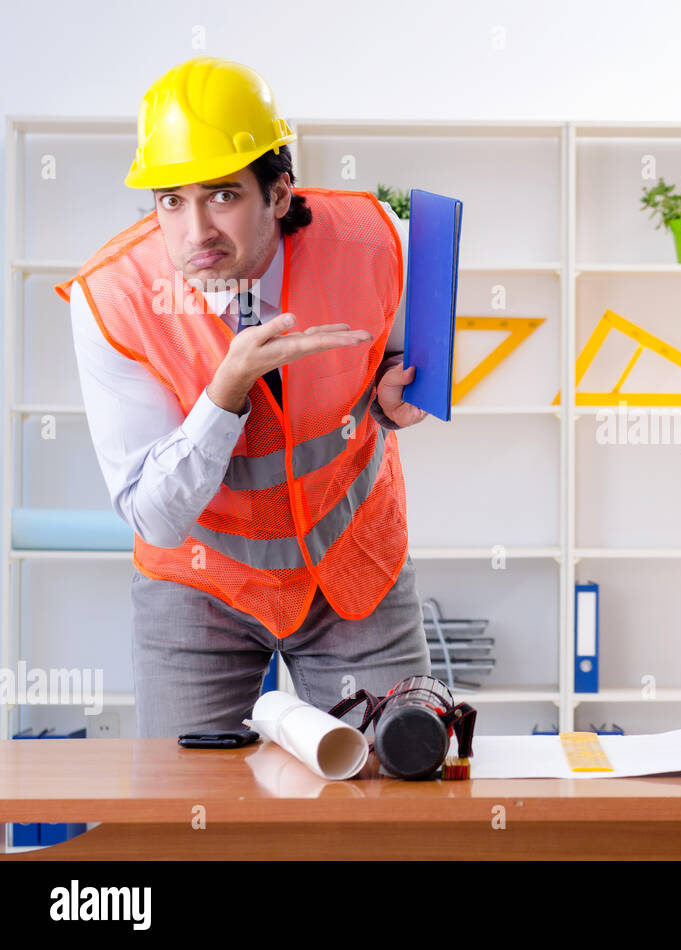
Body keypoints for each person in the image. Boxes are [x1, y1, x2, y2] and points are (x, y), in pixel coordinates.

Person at [56, 57, 432, 737]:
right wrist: (225, 394)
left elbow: (404, 359)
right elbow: (155, 516)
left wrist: (396, 394)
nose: (195, 231)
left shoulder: (378, 242)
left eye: (222, 195)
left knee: (394, 787)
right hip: (201, 586)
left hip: (353, 560)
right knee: (189, 816)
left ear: (279, 194)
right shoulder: (111, 301)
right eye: (172, 200)